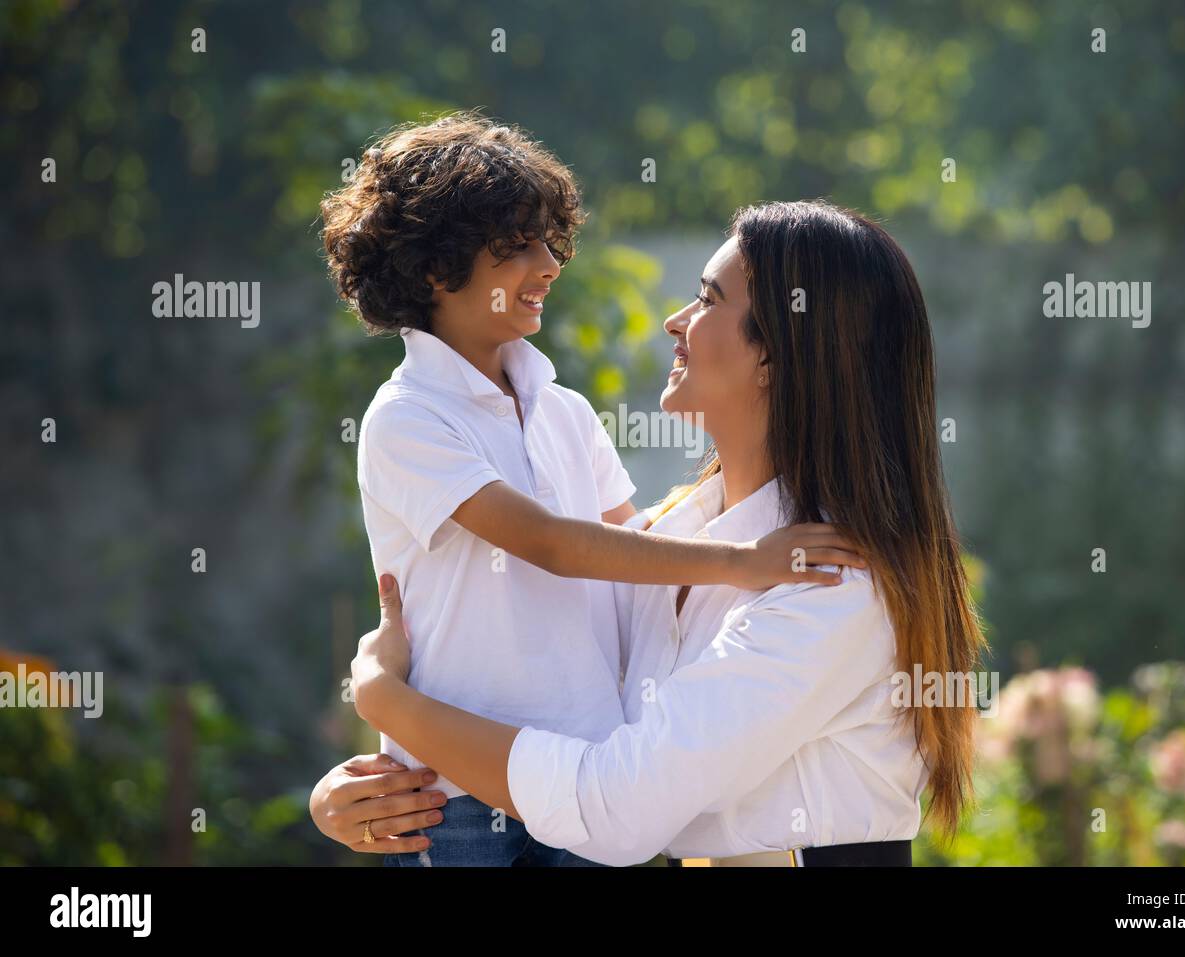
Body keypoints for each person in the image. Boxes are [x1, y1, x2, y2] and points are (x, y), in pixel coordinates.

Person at [313, 200, 988, 866]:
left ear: (776, 358)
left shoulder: (830, 579)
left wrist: (386, 699)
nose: (676, 321)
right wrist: (360, 797)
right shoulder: (679, 539)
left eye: (707, 300)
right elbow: (543, 671)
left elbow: (610, 807)